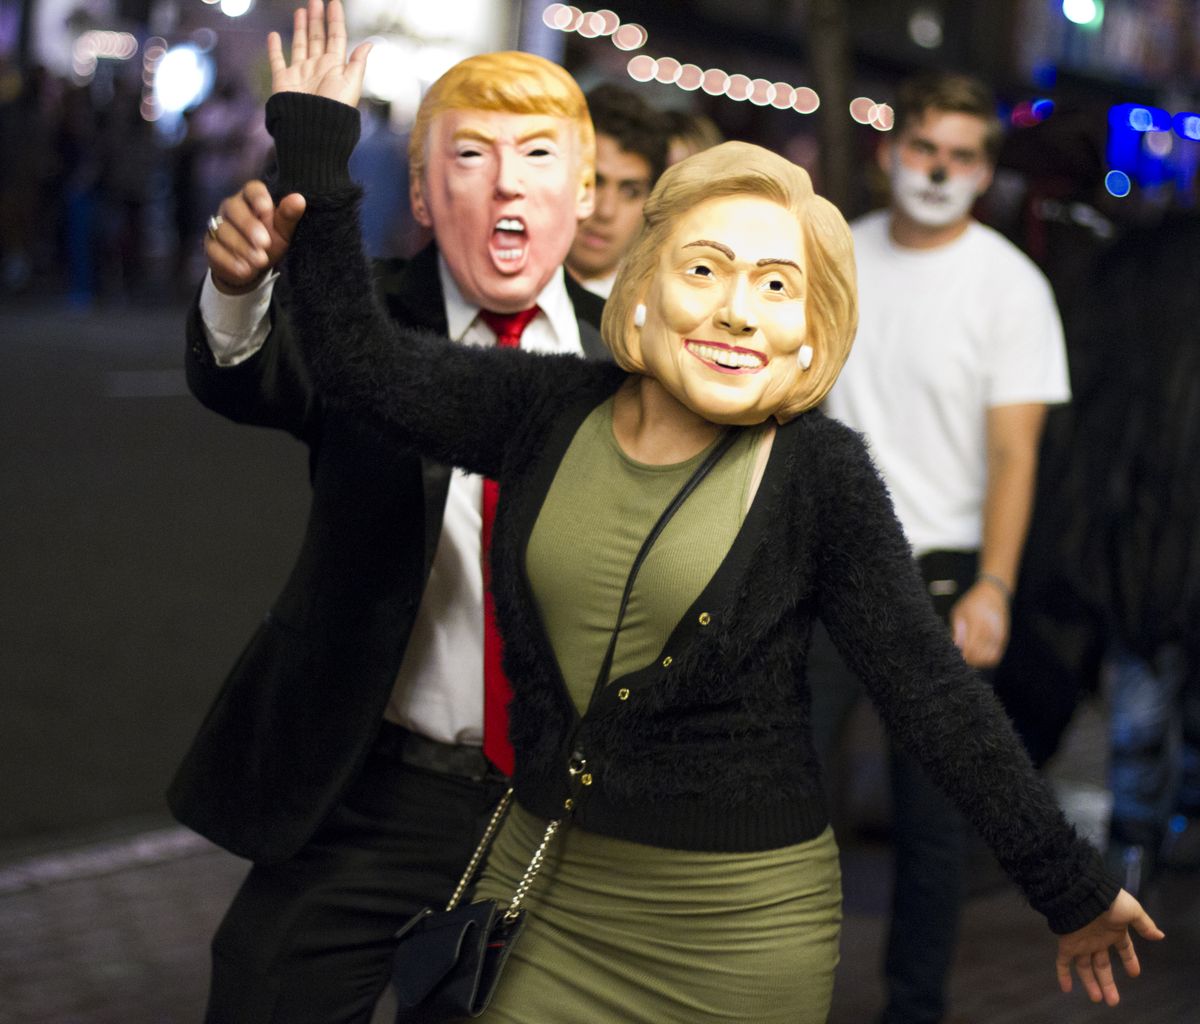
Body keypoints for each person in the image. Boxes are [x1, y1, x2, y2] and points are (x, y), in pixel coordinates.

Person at [259, 9, 1161, 1021]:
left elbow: (932, 696)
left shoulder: (820, 474)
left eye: (777, 287)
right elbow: (358, 360)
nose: (739, 310)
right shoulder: (545, 407)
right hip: (541, 889)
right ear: (645, 286)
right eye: (706, 271)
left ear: (810, 327)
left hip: (732, 928)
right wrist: (316, 145)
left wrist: (1071, 887)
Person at [167, 2, 603, 1019]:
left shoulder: (631, 358)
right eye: (470, 155)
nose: (505, 182)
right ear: (416, 188)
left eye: (538, 155)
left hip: (562, 811)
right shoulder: (359, 311)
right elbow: (252, 376)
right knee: (266, 984)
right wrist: (240, 288)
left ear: (580, 194)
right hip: (381, 786)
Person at [806, 71, 1071, 1024]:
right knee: (782, 795)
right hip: (823, 564)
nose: (940, 169)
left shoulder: (1012, 285)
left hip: (945, 577)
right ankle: (766, 991)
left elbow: (1015, 451)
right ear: (891, 152)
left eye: (963, 155)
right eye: (926, 148)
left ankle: (911, 1010)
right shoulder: (835, 255)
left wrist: (994, 585)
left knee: (932, 824)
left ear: (985, 172)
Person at [1061, 212, 1200, 893]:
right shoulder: (1146, 262)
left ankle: (1136, 850)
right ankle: (1145, 846)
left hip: (1143, 528)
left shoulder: (1138, 262)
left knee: (1142, 704)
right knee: (1145, 699)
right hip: (1150, 526)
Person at [565, 82, 666, 299]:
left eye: (630, 192)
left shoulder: (655, 319)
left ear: (651, 203)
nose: (606, 211)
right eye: (593, 182)